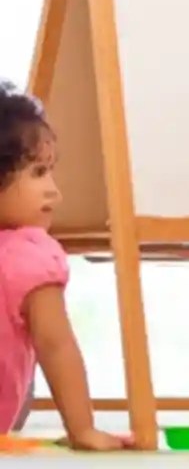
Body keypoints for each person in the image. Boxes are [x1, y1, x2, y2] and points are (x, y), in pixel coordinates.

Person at [0, 82, 131, 450]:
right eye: (39, 173)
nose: (55, 192)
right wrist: (83, 430)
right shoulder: (28, 255)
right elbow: (56, 346)